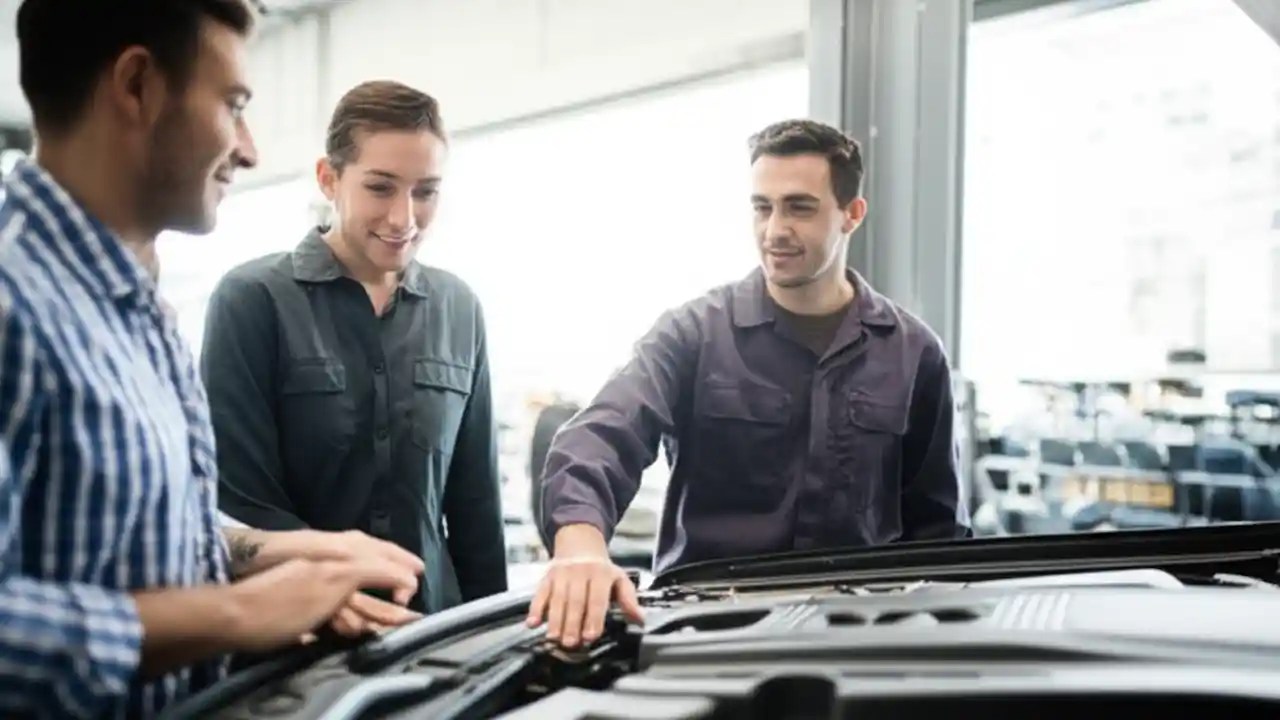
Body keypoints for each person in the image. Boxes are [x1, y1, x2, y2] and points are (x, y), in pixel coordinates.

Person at [0, 3, 428, 718]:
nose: (250, 149)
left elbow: (124, 533)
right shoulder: (12, 301)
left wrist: (278, 555)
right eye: (233, 106)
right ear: (136, 85)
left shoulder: (134, 306)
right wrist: (237, 614)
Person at [527, 119, 971, 648]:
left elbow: (937, 533)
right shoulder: (693, 333)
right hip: (707, 638)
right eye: (762, 207)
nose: (774, 229)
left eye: (799, 207)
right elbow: (600, 436)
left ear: (852, 214)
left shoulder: (914, 353)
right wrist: (580, 550)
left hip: (858, 644)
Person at [200, 80, 508, 617]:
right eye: (381, 188)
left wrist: (492, 646)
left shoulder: (459, 307)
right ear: (329, 178)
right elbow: (243, 502)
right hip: (293, 642)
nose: (404, 218)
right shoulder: (253, 300)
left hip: (429, 633)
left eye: (425, 191)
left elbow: (475, 507)